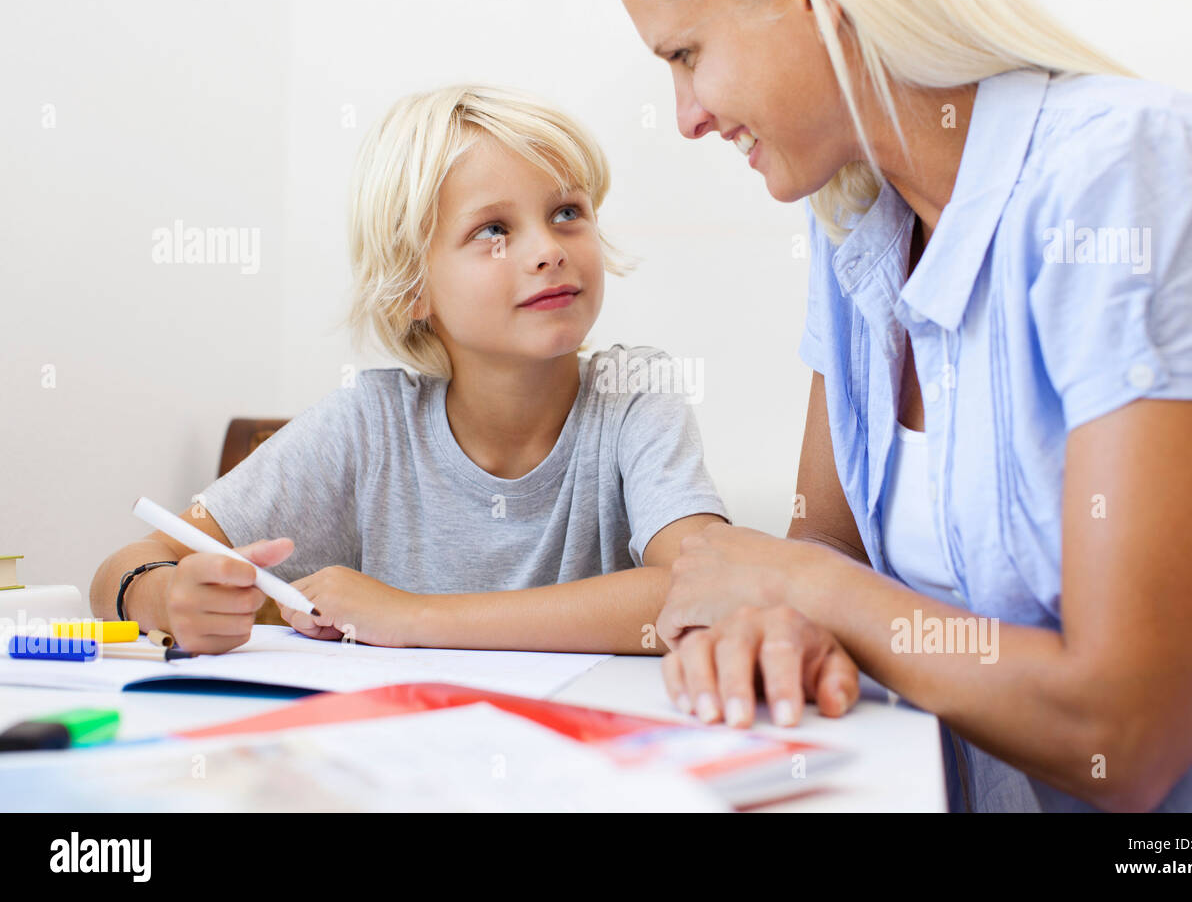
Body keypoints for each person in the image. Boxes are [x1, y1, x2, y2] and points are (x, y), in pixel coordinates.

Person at [606, 0, 1192, 811]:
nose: (686, 117)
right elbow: (826, 546)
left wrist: (804, 589)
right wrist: (782, 625)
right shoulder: (859, 226)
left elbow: (1126, 736)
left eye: (685, 55)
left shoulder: (1131, 177)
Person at [89, 85, 729, 657]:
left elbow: (697, 589)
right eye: (494, 229)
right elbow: (121, 568)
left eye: (566, 212)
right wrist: (169, 595)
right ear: (412, 291)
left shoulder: (634, 396)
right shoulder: (369, 427)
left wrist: (414, 616)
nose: (548, 250)